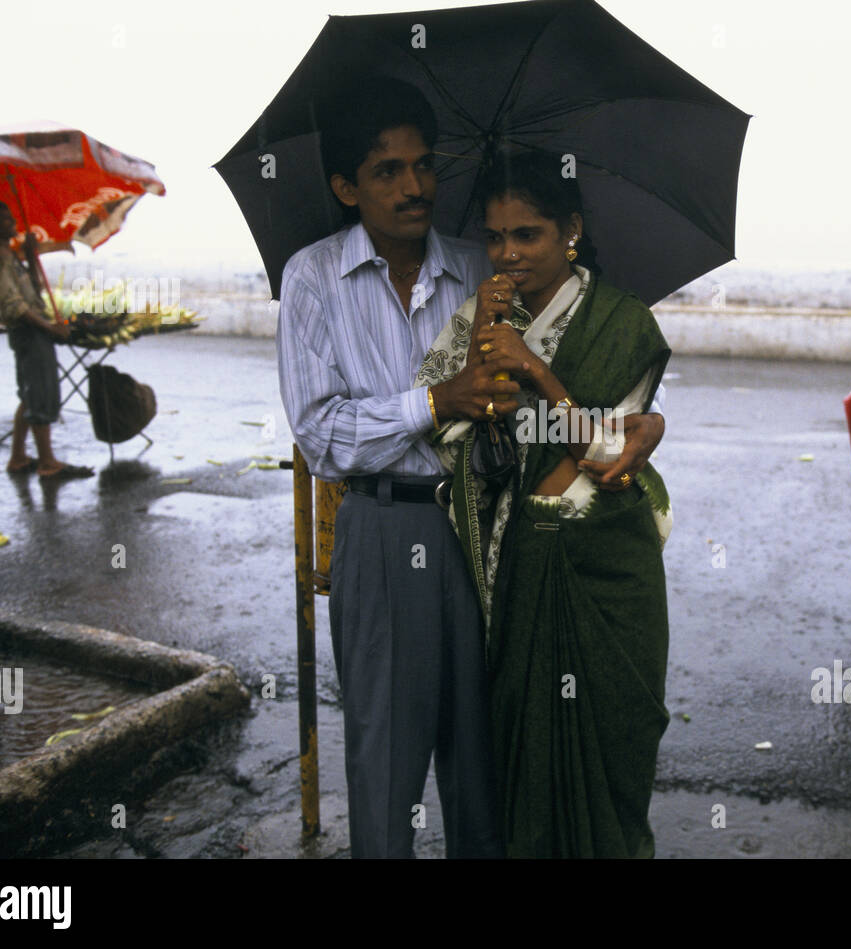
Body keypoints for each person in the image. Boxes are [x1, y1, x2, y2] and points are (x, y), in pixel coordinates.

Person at [275, 79, 666, 858]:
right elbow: (320, 434)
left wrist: (639, 423)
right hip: (383, 528)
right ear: (346, 187)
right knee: (386, 759)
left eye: (424, 166)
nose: (415, 186)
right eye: (387, 171)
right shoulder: (312, 278)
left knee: (485, 758)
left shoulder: (480, 267)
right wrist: (437, 400)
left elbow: (571, 373)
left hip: (487, 531)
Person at [415, 150, 672, 857]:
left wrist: (535, 370)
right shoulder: (481, 314)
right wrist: (480, 355)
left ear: (571, 231)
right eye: (495, 238)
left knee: (609, 758)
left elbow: (607, 455)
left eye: (526, 234)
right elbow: (439, 429)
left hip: (605, 576)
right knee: (526, 766)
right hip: (515, 571)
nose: (507, 252)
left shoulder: (621, 324)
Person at [0, 199, 94, 480]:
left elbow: (33, 293)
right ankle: (48, 462)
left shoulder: (10, 256)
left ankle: (18, 457)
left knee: (29, 394)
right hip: (29, 333)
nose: (12, 222)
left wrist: (29, 257)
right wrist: (50, 329)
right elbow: (14, 306)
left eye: (10, 216)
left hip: (35, 330)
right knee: (41, 393)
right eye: (4, 219)